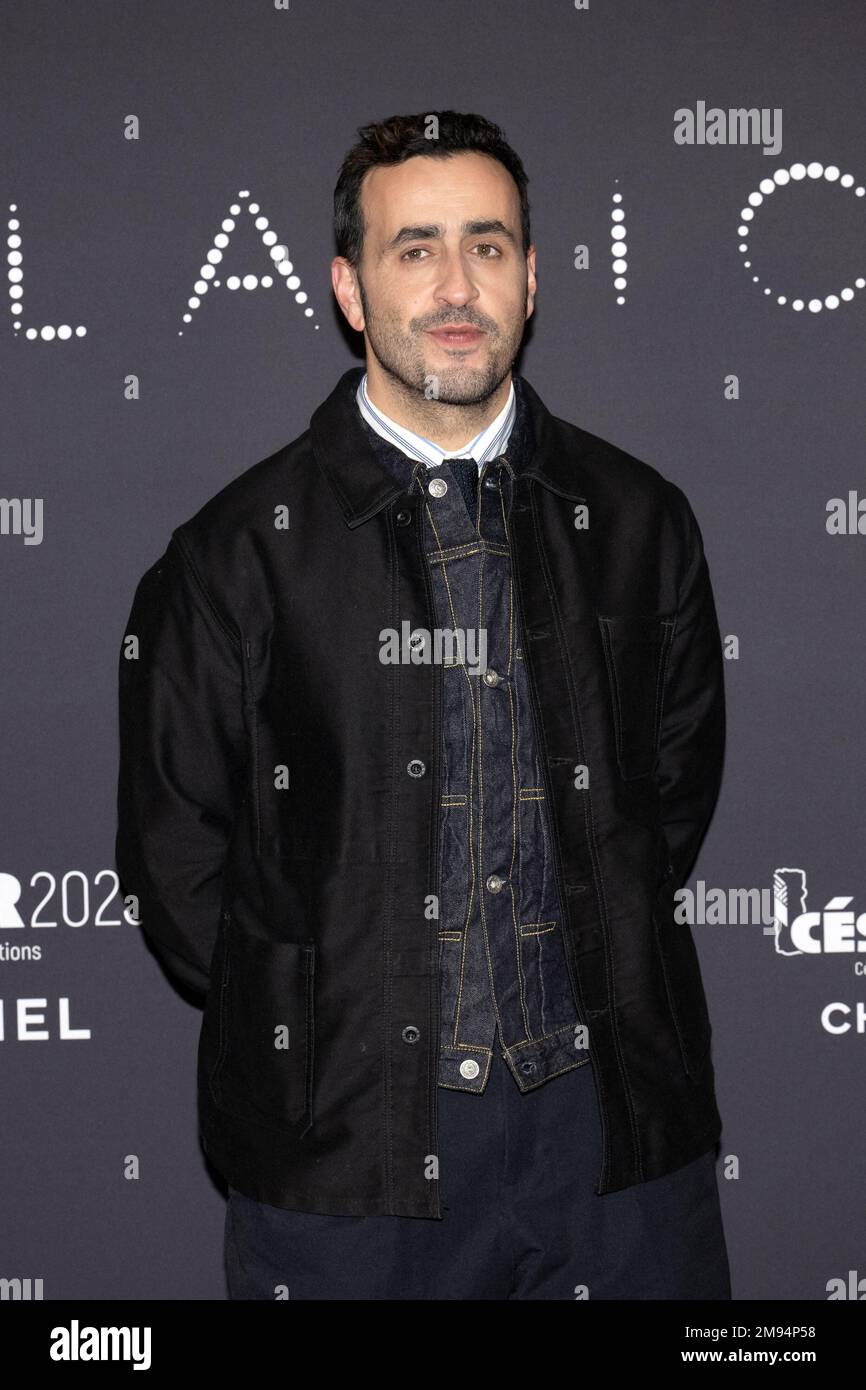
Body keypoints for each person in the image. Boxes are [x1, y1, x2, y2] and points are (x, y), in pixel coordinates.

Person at [116, 109, 731, 1300]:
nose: (456, 285)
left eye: (488, 245)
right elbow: (176, 864)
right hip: (347, 1159)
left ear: (532, 275)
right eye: (415, 250)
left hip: (614, 1145)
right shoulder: (236, 554)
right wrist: (333, 1012)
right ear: (349, 288)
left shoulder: (638, 522)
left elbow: (668, 797)